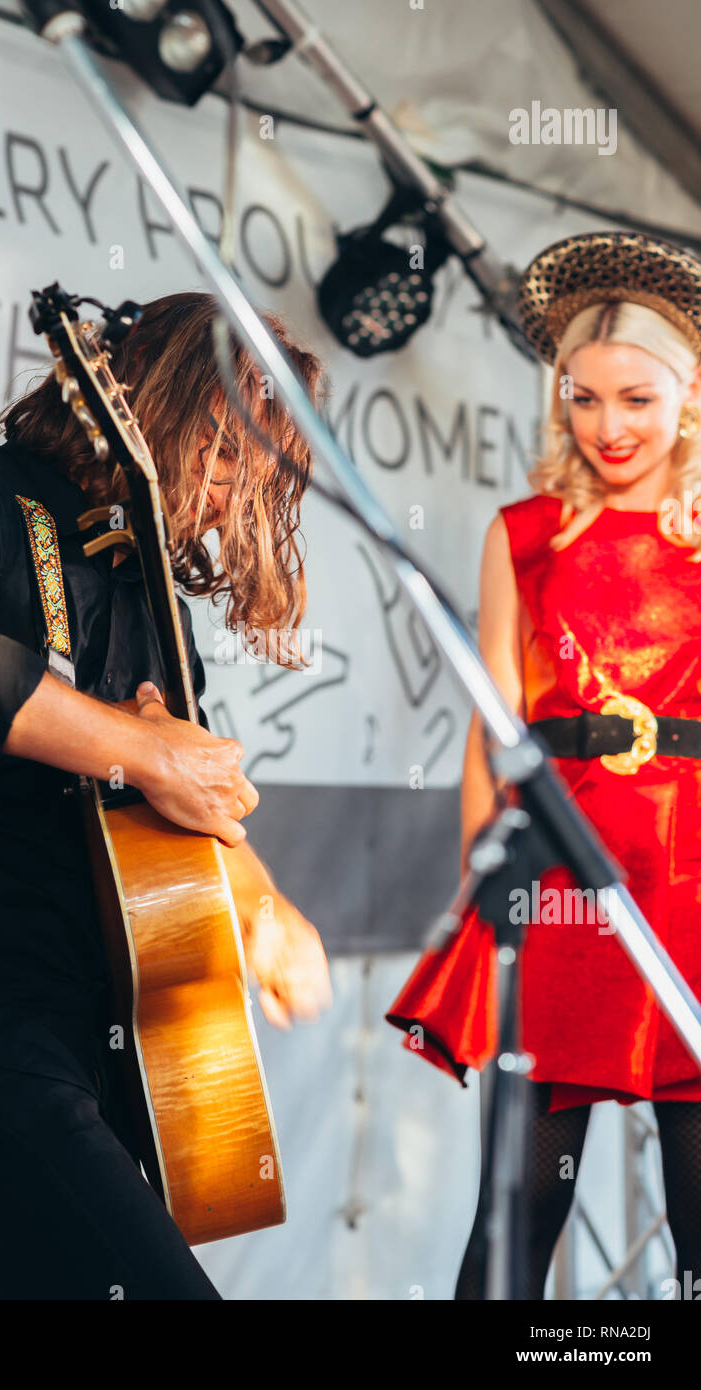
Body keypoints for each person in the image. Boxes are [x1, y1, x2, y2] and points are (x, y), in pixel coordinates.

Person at [0, 290, 332, 1300]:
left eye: (260, 472)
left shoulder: (148, 600)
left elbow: (177, 802)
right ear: (139, 399)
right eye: (226, 450)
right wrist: (135, 750)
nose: (235, 495)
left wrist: (263, 903)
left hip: (74, 1037)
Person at [386, 231, 701, 1299]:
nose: (608, 427)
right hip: (562, 880)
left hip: (690, 886)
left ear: (686, 398)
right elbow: (493, 727)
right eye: (583, 399)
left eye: (636, 400)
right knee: (514, 1228)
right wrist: (484, 883)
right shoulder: (524, 533)